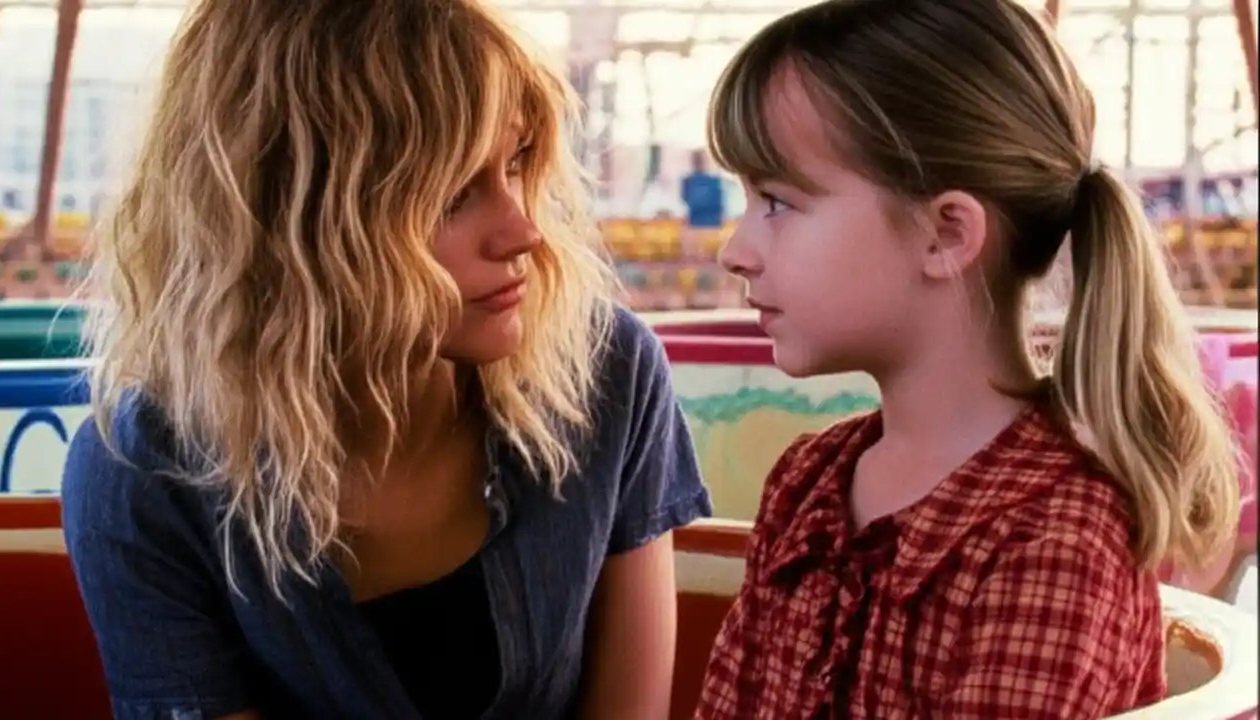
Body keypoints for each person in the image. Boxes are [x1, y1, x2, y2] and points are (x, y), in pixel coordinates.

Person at [61, 1, 710, 719]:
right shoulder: (144, 470)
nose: (522, 231)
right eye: (453, 193)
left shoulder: (608, 372)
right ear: (291, 216)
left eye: (519, 162)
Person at [694, 1, 1240, 718]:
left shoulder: (1053, 537)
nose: (736, 251)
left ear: (948, 233)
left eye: (777, 202)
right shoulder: (808, 483)